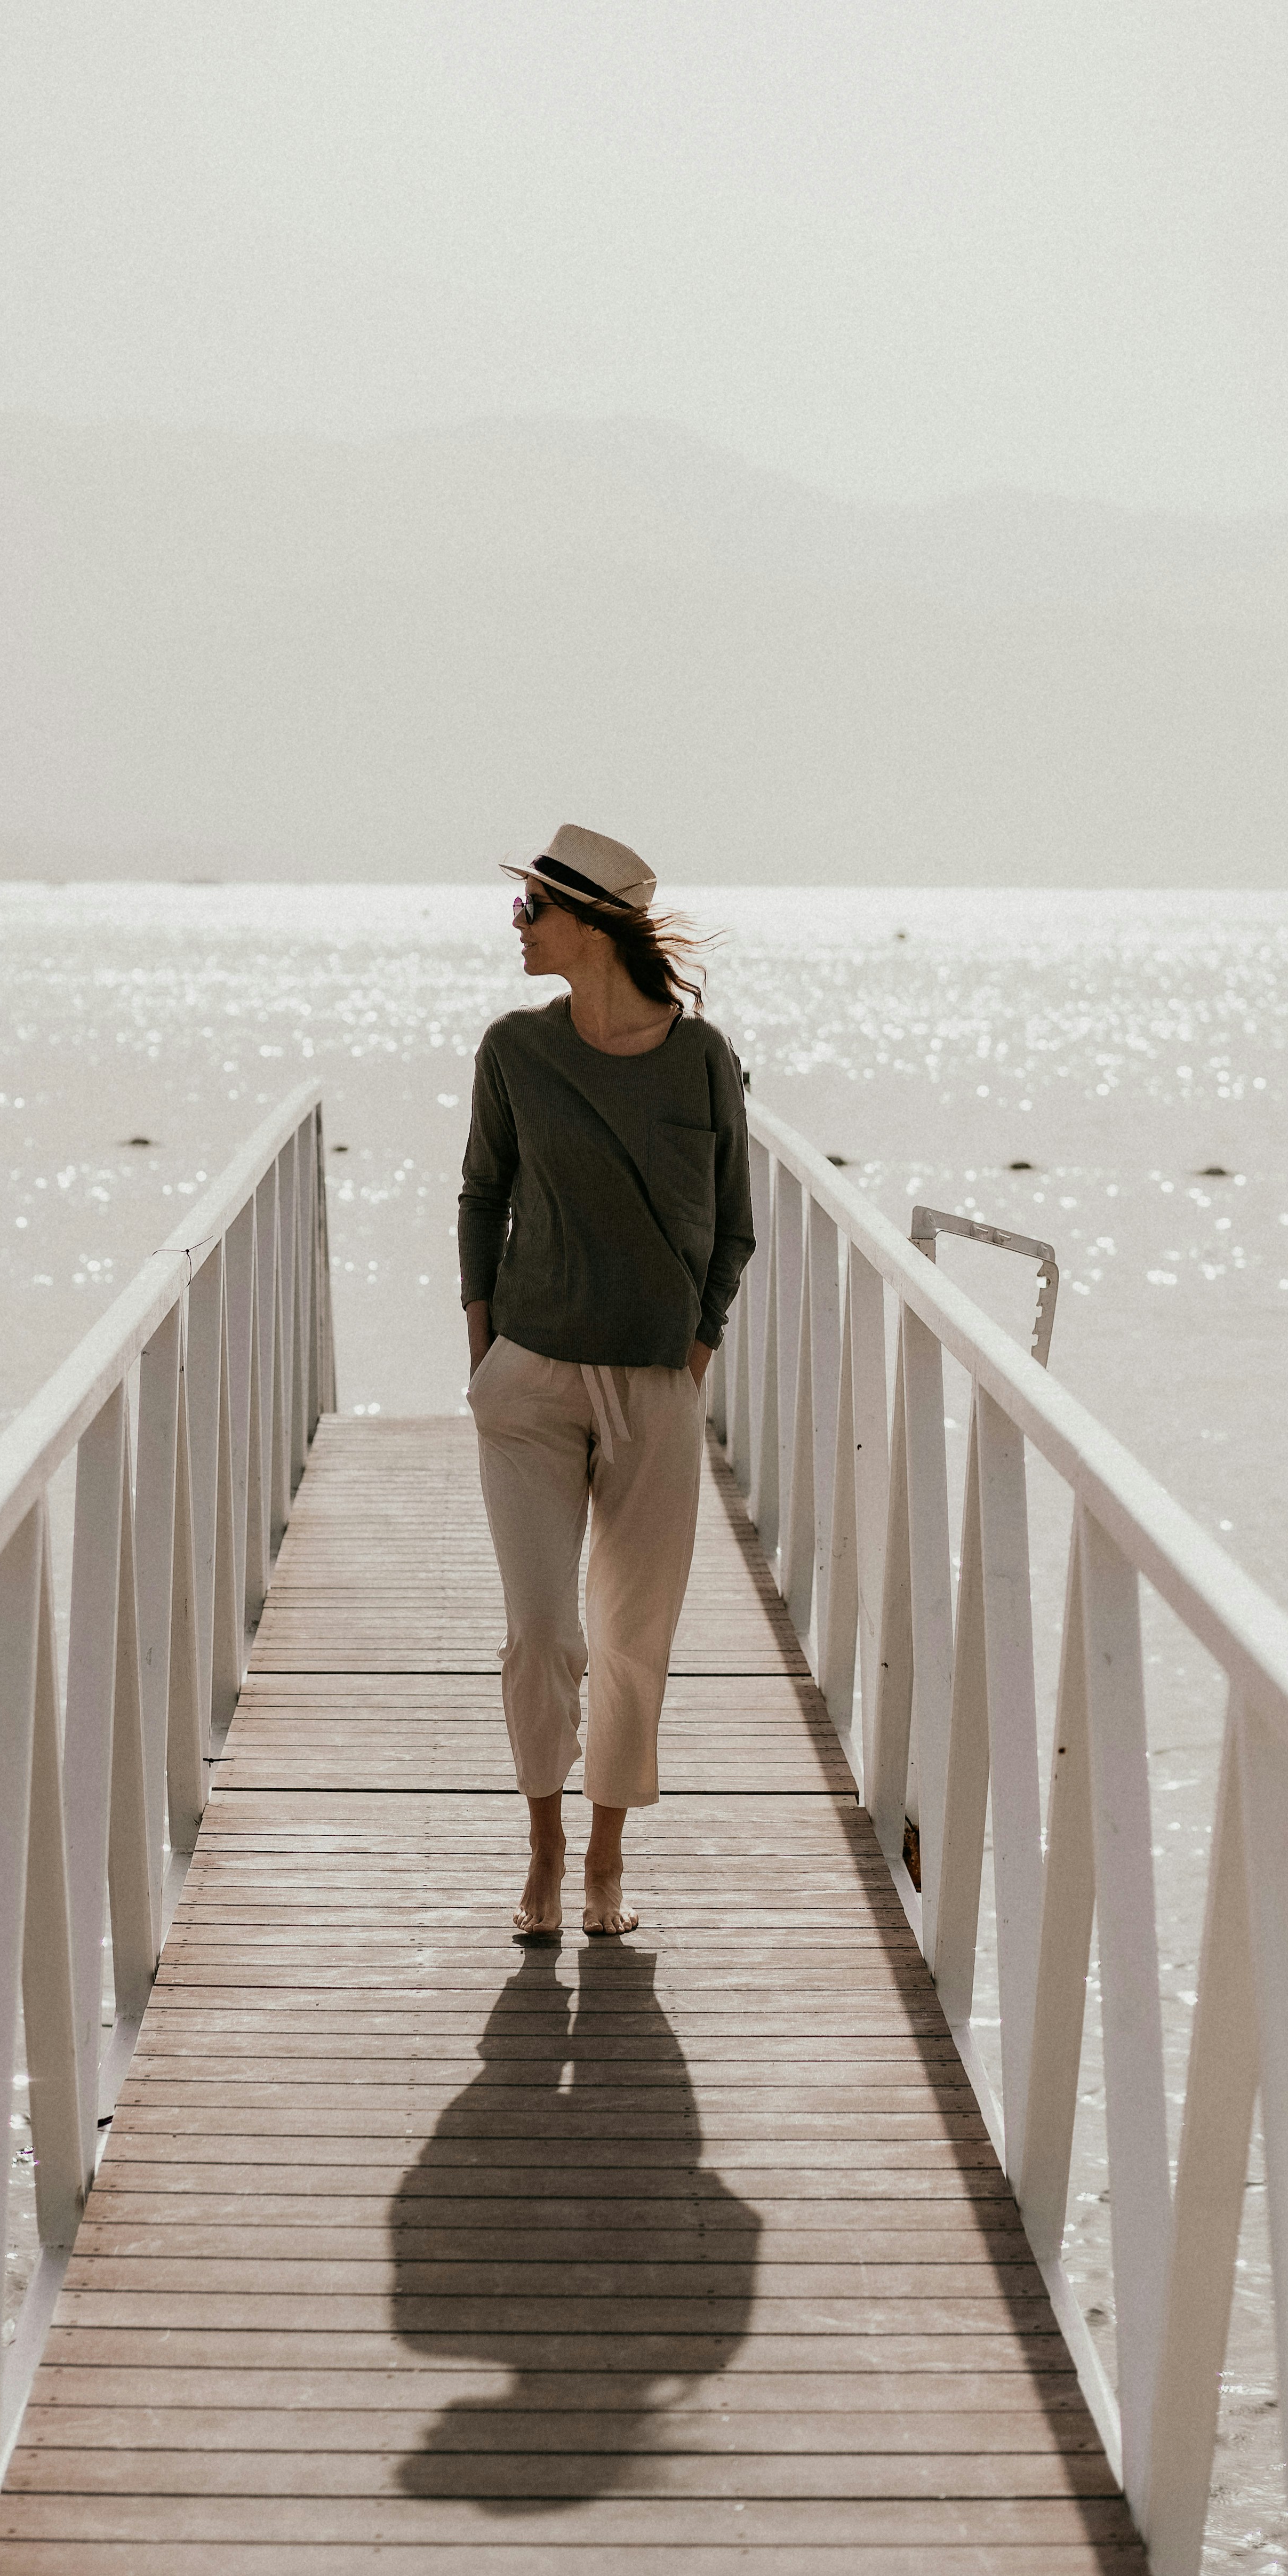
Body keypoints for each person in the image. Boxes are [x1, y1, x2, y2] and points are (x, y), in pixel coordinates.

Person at [457, 822, 755, 1943]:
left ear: (593, 922)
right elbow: (482, 1197)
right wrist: (486, 1352)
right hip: (528, 1382)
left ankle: (605, 1863)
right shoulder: (513, 1052)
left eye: (532, 907)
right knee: (543, 1633)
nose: (518, 927)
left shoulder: (702, 1059)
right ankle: (540, 1853)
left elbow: (735, 1228)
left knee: (635, 1639)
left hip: (654, 1388)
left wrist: (695, 1354)